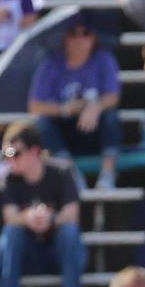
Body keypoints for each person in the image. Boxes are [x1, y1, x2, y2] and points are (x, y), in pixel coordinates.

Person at [27, 15, 122, 184]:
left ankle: (108, 175)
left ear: (93, 38)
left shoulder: (103, 58)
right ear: (65, 37)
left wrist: (95, 107)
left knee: (111, 117)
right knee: (42, 123)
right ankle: (70, 175)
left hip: (93, 129)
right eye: (73, 33)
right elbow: (35, 106)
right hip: (64, 131)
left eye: (85, 33)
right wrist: (65, 109)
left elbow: (113, 96)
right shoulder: (51, 63)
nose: (80, 39)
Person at [0, 119, 83, 287]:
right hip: (27, 252)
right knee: (11, 232)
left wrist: (50, 218)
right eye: (6, 154)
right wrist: (29, 217)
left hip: (57, 251)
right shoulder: (7, 179)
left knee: (69, 231)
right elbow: (10, 218)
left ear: (35, 151)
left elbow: (72, 215)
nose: (9, 159)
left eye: (15, 153)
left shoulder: (62, 172)